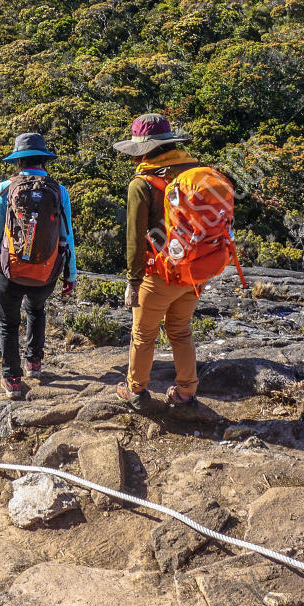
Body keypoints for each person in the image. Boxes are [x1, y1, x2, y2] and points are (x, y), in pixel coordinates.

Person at [113, 114, 211, 411]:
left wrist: (132, 282)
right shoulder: (195, 173)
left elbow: (135, 239)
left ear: (143, 150)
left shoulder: (142, 184)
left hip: (159, 274)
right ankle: (186, 394)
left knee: (143, 335)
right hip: (195, 270)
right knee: (180, 330)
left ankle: (135, 391)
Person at [0, 132, 78, 400]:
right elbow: (66, 236)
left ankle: (12, 378)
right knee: (37, 310)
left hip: (10, 270)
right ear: (43, 162)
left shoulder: (5, 188)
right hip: (46, 272)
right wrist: (71, 274)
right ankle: (34, 363)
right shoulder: (60, 191)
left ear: (18, 162)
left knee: (8, 324)